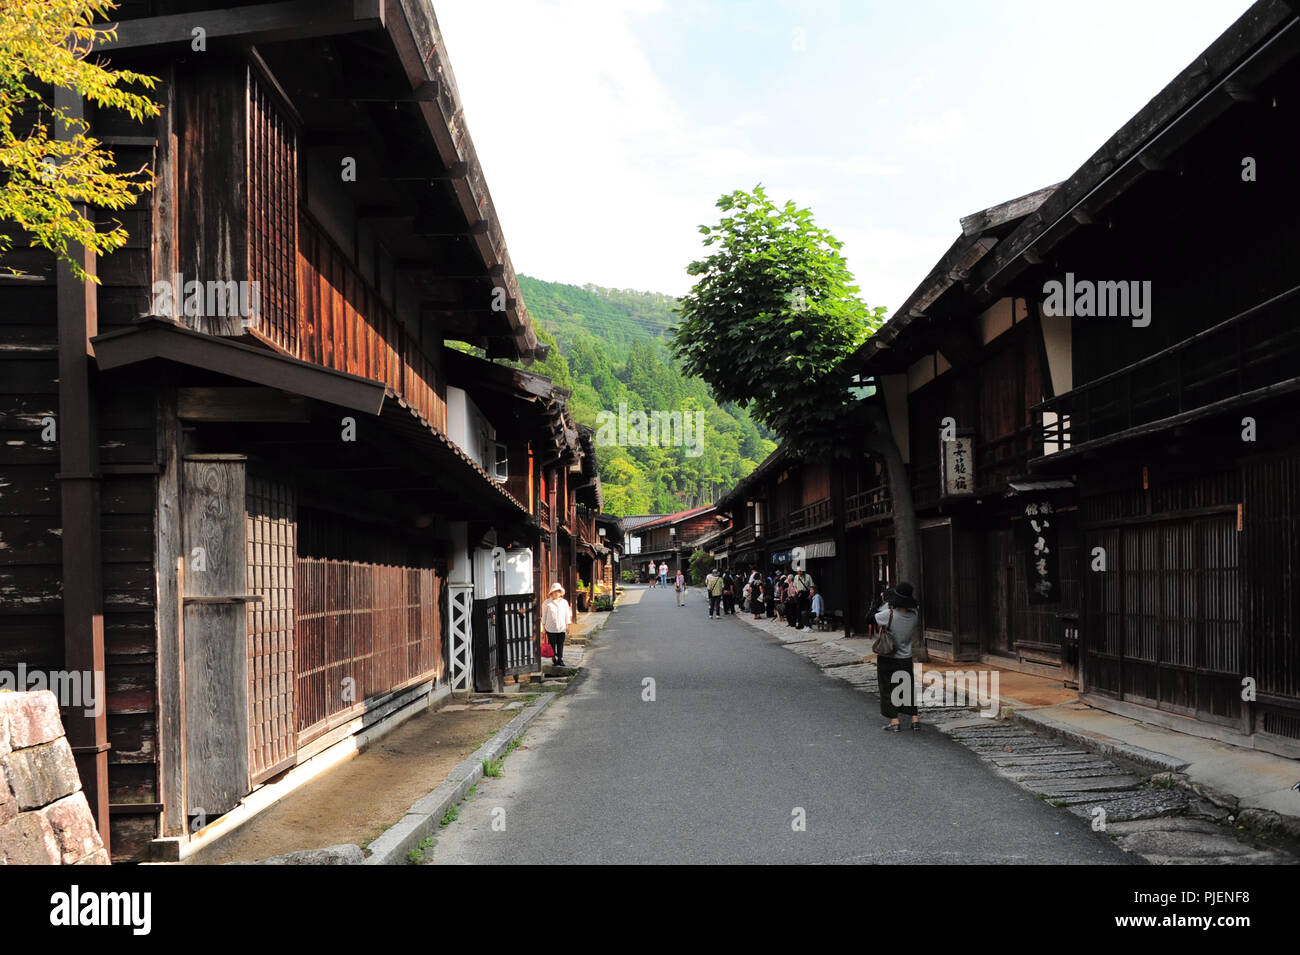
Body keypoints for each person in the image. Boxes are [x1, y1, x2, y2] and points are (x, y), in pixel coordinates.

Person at [875, 582, 920, 732]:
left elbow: (872, 616)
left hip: (888, 657)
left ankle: (894, 721)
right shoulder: (914, 615)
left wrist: (883, 601)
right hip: (906, 657)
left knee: (887, 687)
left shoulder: (888, 614)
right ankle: (915, 720)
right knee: (907, 687)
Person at [542, 582, 573, 668]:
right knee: (552, 644)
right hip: (550, 627)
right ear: (551, 593)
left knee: (560, 643)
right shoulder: (547, 603)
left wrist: (568, 625)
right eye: (555, 591)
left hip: (561, 627)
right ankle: (553, 658)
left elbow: (567, 614)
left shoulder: (564, 602)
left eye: (558, 591)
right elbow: (544, 615)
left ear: (561, 593)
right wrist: (543, 627)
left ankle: (560, 659)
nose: (556, 593)